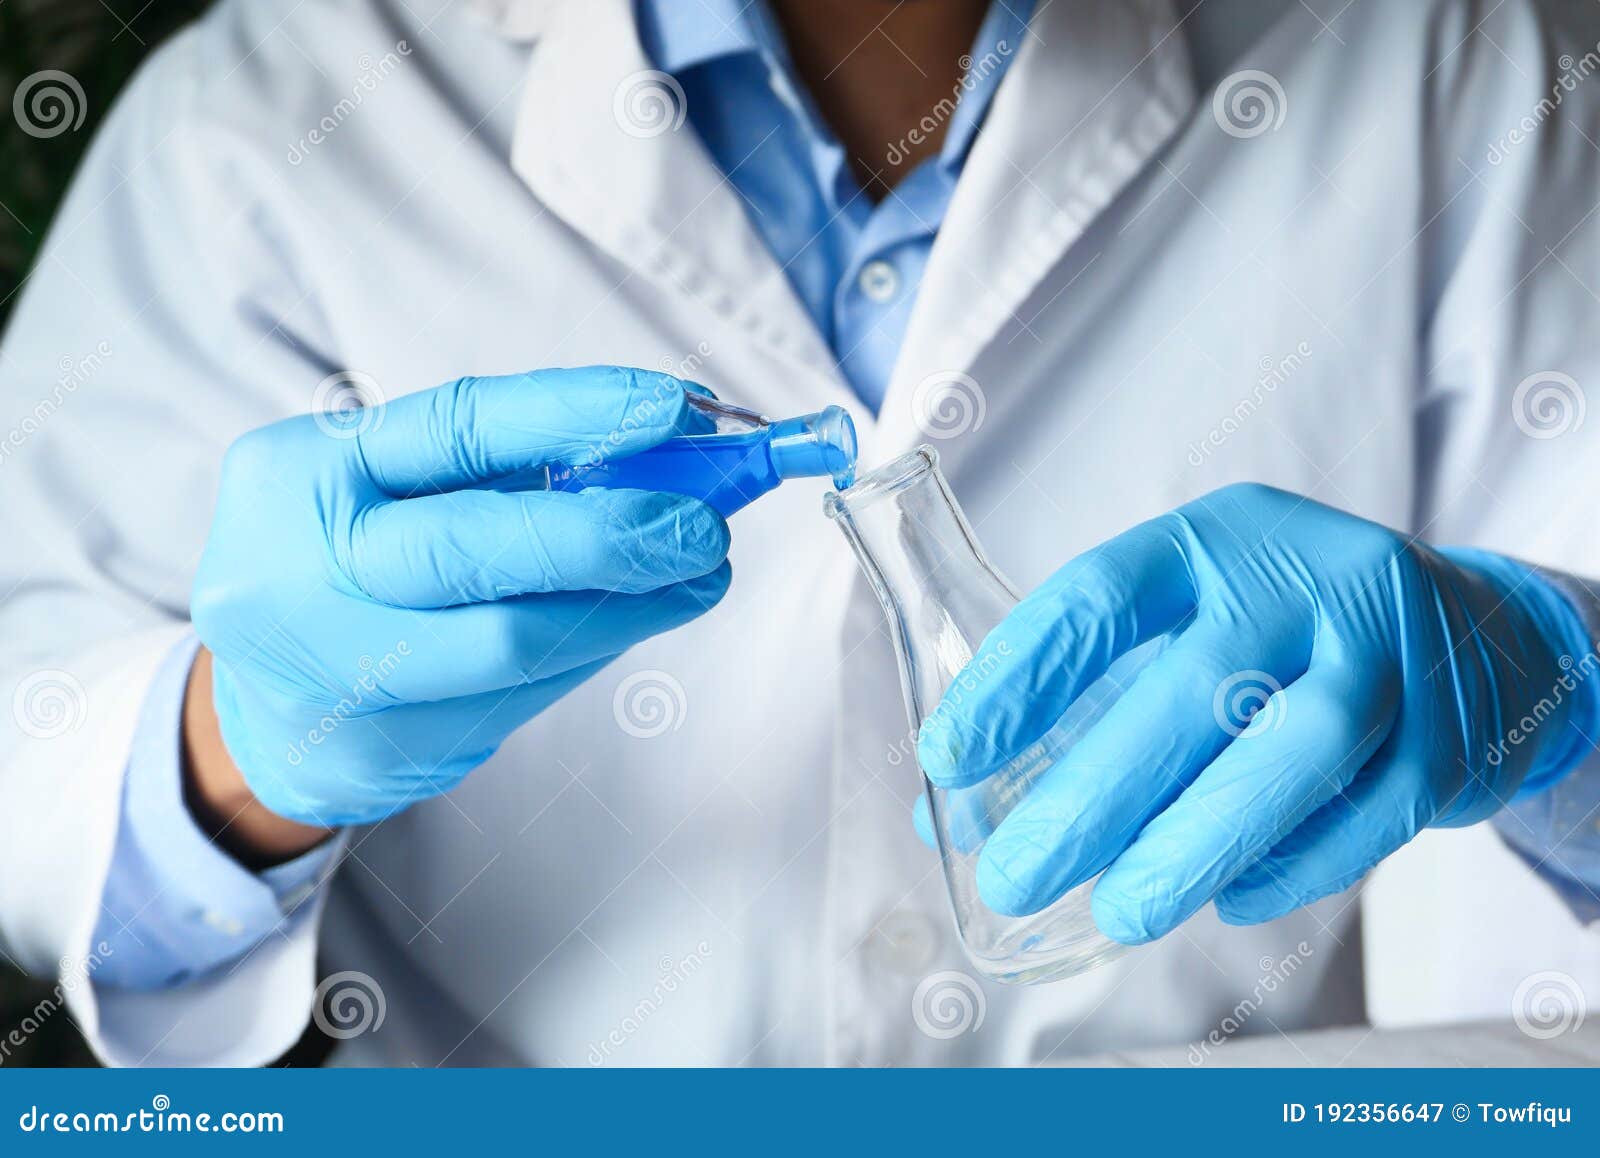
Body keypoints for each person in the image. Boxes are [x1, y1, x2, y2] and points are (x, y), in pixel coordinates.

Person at [1, 0, 1597, 1067]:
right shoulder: (262, 122)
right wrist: (234, 749)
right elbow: (28, 740)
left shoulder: (1440, 50)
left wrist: (1553, 680)